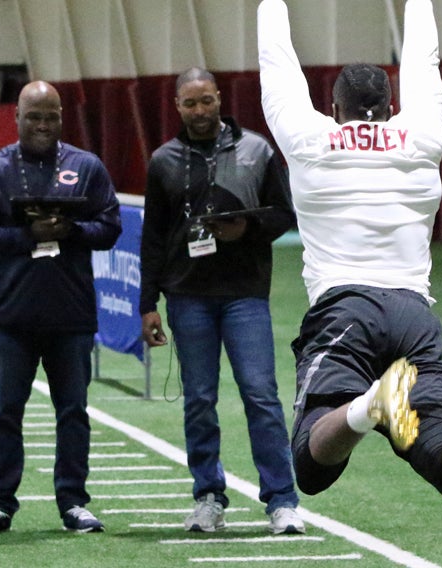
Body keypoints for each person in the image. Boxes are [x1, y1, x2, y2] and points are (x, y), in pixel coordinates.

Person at [258, 0, 442, 504]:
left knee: (311, 468)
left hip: (345, 309)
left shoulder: (310, 139)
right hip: (412, 313)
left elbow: (277, 59)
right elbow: (425, 58)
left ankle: (371, 403)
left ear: (334, 110)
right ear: (392, 105)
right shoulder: (423, 136)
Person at [138, 67, 304, 534]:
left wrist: (246, 229)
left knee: (261, 395)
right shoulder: (163, 161)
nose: (200, 111)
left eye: (206, 101)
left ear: (219, 98)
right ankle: (208, 496)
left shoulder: (257, 150)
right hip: (187, 296)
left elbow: (283, 213)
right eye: (190, 103)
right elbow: (152, 238)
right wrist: (147, 303)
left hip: (245, 295)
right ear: (177, 107)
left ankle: (282, 501)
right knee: (199, 400)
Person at [0, 80, 121, 534]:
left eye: (51, 115)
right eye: (34, 116)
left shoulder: (86, 167)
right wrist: (26, 236)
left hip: (70, 316)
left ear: (61, 118)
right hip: (10, 317)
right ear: (16, 118)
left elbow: (108, 227)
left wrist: (70, 230)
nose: (43, 124)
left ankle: (73, 502)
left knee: (73, 413)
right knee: (5, 412)